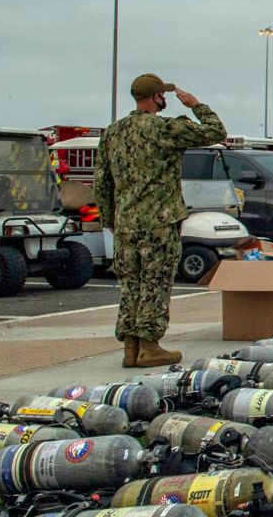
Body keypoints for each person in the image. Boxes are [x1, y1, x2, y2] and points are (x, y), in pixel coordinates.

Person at [94, 74, 226, 368]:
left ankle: (131, 347)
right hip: (159, 221)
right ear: (156, 97)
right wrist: (196, 105)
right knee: (155, 283)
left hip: (126, 222)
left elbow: (101, 181)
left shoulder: (114, 133)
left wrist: (109, 218)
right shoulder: (164, 128)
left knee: (131, 285)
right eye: (162, 95)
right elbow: (216, 131)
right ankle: (150, 347)